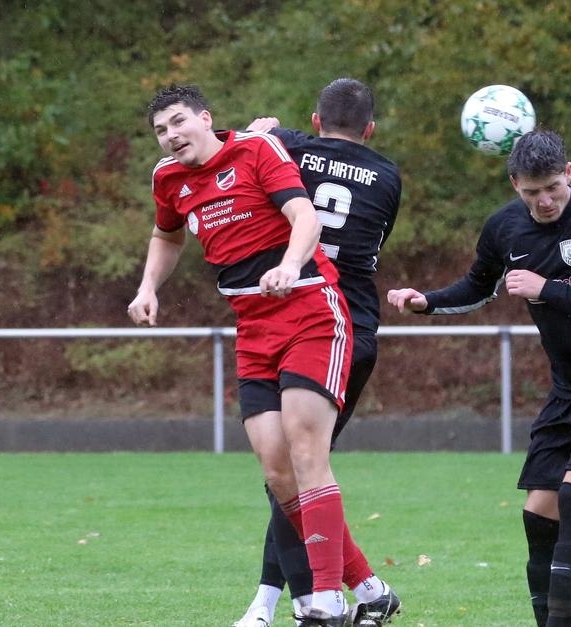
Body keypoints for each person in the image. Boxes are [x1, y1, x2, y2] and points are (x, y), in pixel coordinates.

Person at [128, 84, 381, 627]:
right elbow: (166, 237)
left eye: (178, 123)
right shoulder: (167, 179)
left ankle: (327, 603)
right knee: (275, 467)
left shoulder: (256, 150)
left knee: (306, 447)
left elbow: (305, 218)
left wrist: (291, 263)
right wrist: (149, 287)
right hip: (252, 328)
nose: (171, 136)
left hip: (311, 309)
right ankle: (366, 583)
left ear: (205, 119)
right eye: (160, 130)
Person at [387, 130, 571, 627]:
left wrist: (547, 290)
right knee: (539, 514)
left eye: (553, 187)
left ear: (570, 173)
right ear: (515, 184)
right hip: (570, 386)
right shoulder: (505, 229)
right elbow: (477, 286)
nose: (545, 200)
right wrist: (427, 300)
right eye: (532, 191)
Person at [233, 78, 402, 627]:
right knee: (290, 469)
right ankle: (365, 590)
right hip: (359, 327)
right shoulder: (388, 176)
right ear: (370, 130)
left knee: (302, 467)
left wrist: (267, 132)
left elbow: (252, 156)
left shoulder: (283, 147)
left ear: (313, 117)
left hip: (316, 320)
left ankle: (302, 603)